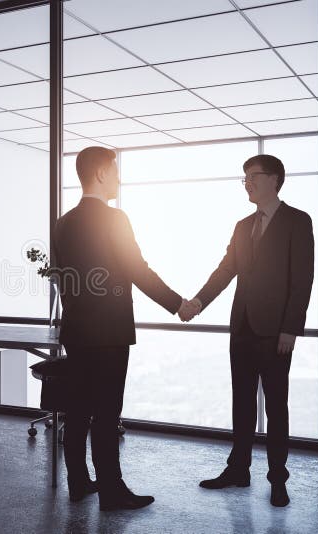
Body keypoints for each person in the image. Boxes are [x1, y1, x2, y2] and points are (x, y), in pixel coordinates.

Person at [52, 146, 194, 510]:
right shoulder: (115, 219)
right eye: (114, 171)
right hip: (110, 332)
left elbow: (59, 277)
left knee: (79, 410)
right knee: (106, 413)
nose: (118, 177)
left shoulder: (64, 222)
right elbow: (137, 270)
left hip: (77, 332)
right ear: (99, 174)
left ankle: (79, 483)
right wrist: (178, 304)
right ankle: (112, 492)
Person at [180, 154, 314, 507]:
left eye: (252, 177)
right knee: (241, 403)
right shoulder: (242, 226)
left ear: (274, 179)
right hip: (241, 327)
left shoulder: (298, 221)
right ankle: (238, 470)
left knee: (276, 407)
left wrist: (290, 329)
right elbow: (225, 271)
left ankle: (277, 480)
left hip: (275, 333)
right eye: (244, 179)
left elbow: (302, 281)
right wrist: (197, 302)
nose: (247, 184)